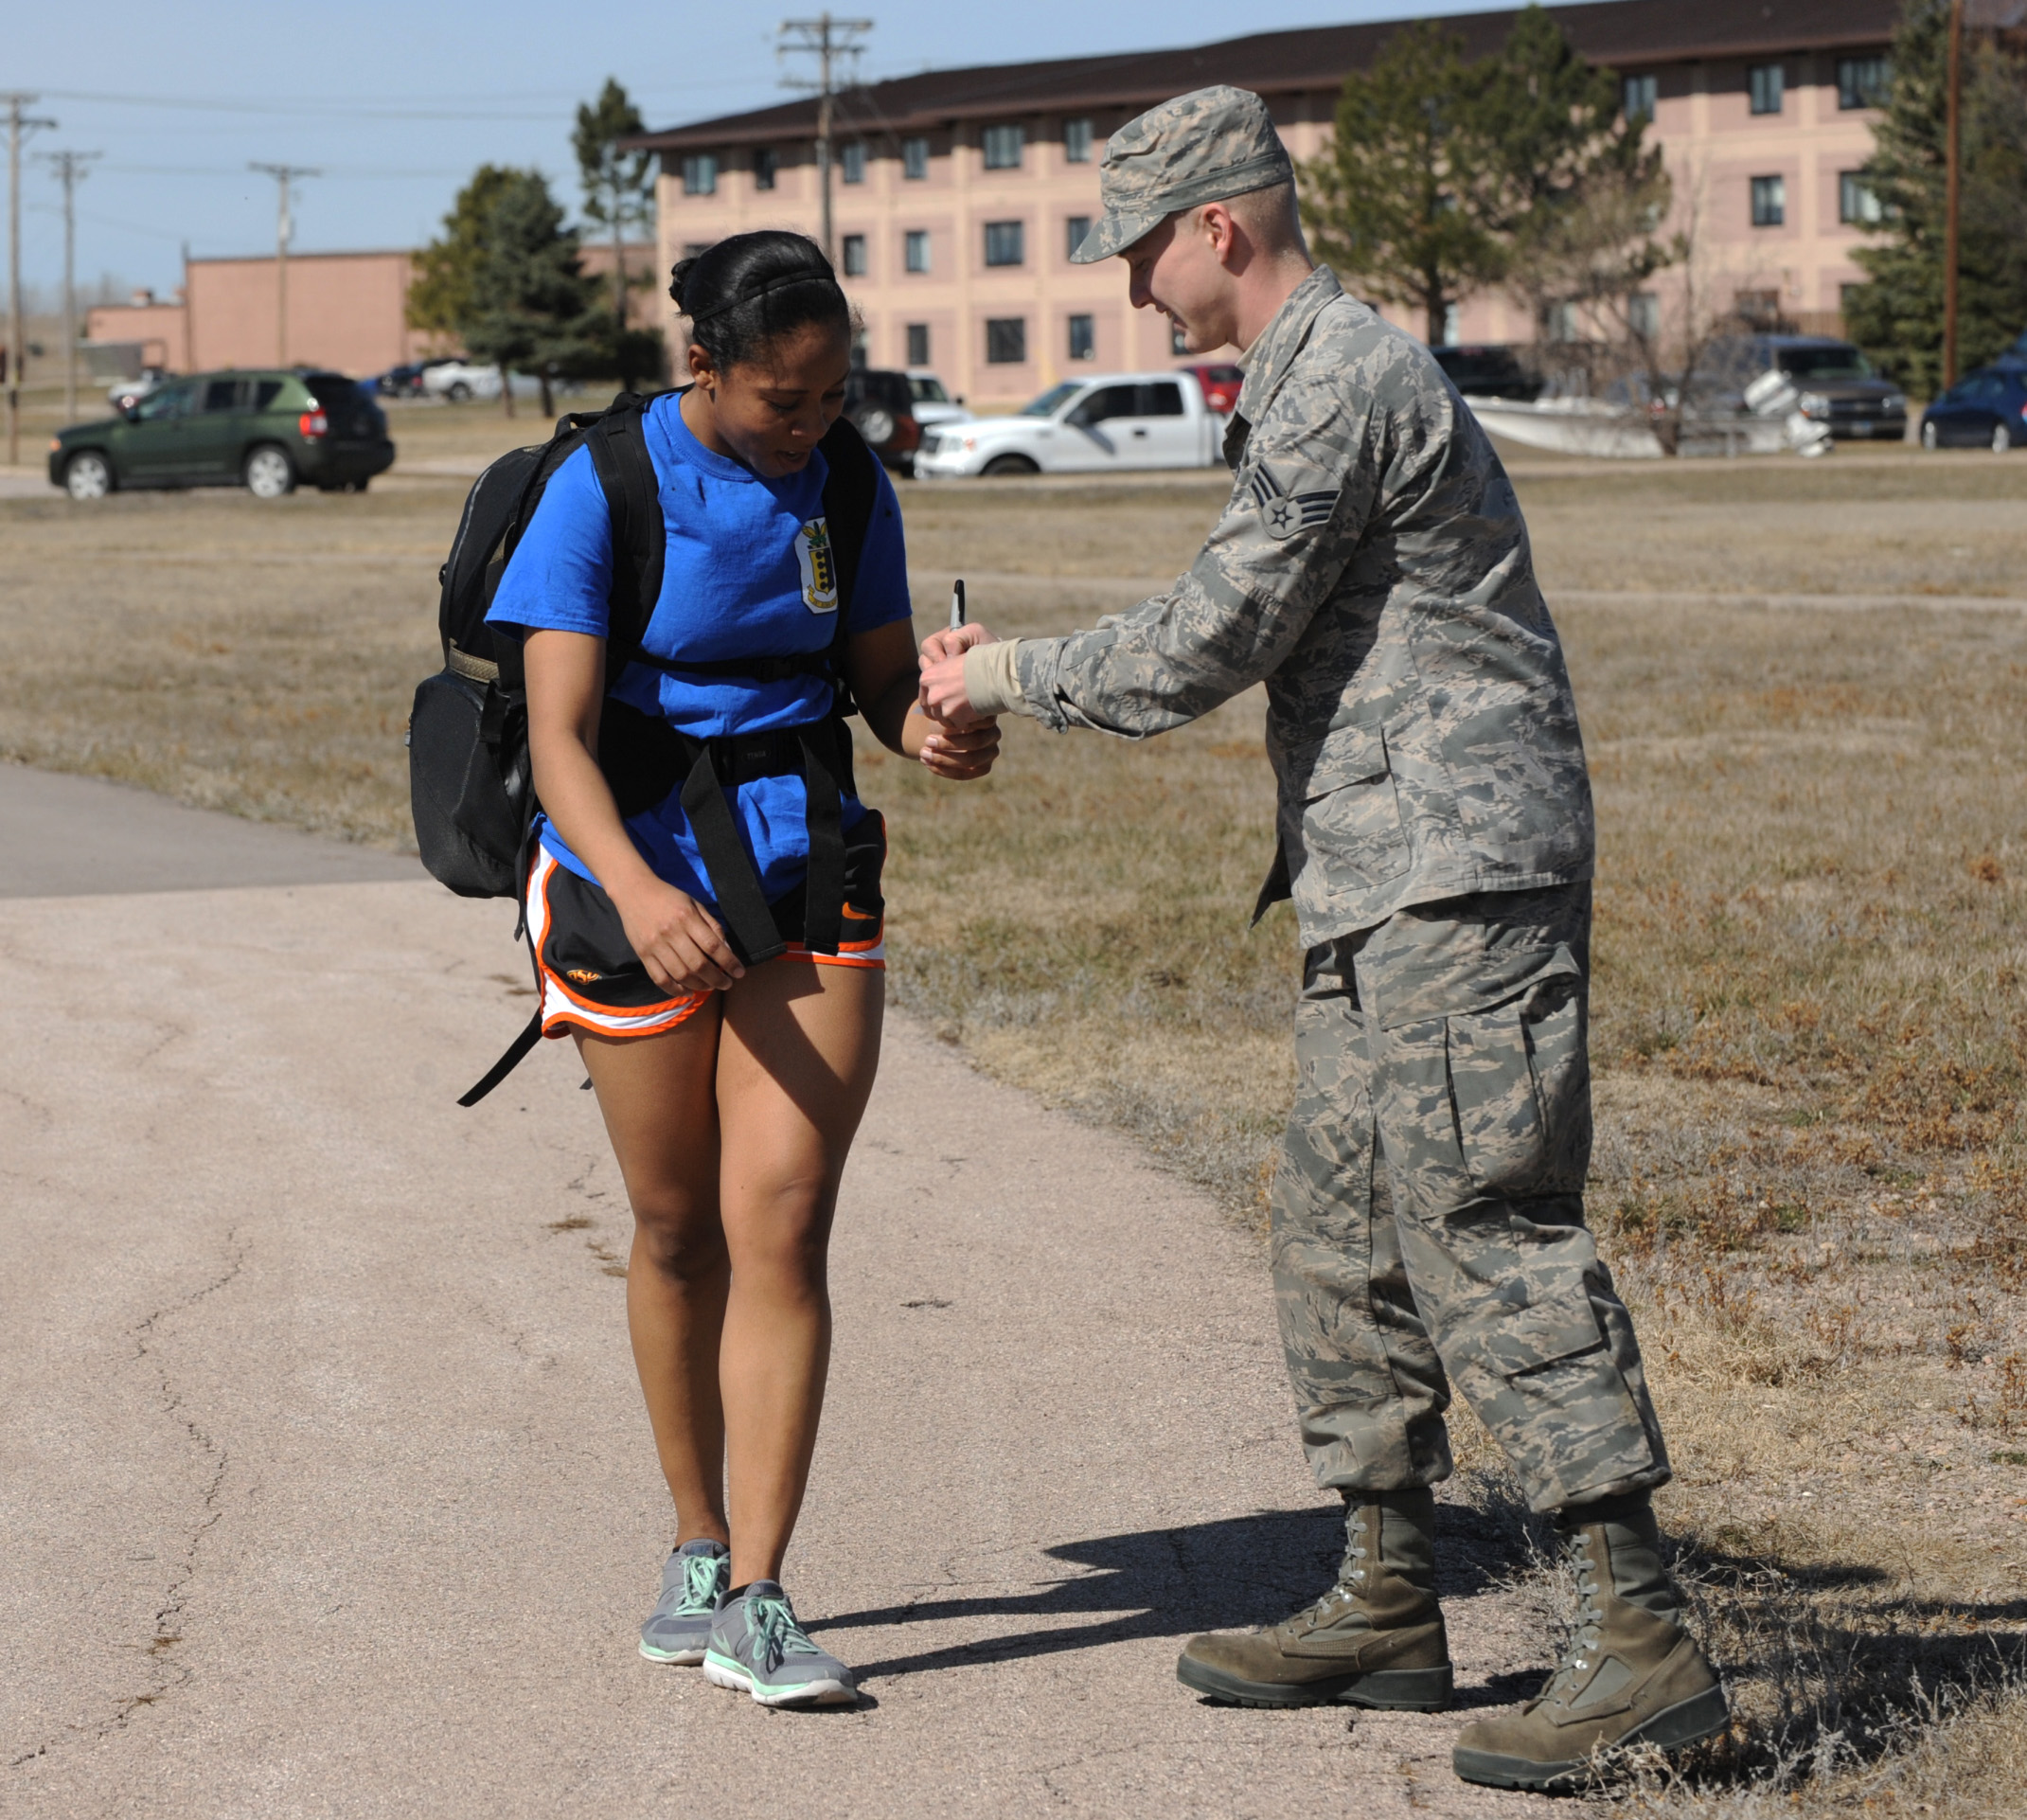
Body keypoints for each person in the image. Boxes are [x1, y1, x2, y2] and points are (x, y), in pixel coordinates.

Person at [919, 87, 1727, 1792]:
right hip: (1380, 873)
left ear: (1220, 226)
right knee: (1339, 1234)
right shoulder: (1295, 376)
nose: (1134, 289)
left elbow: (1213, 633)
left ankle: (1636, 1633)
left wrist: (999, 673)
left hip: (1457, 873)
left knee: (1480, 1227)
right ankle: (1382, 1594)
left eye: (1139, 250)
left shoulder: (1346, 372)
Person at [488, 230, 999, 1710]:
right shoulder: (605, 486)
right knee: (673, 1228)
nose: (812, 425)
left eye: (833, 394)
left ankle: (762, 1595)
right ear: (700, 364)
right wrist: (641, 892)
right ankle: (694, 1544)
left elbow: (885, 683)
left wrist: (937, 730)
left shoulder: (847, 480)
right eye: (785, 398)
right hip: (624, 873)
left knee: (778, 1221)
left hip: (805, 866)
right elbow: (559, 740)